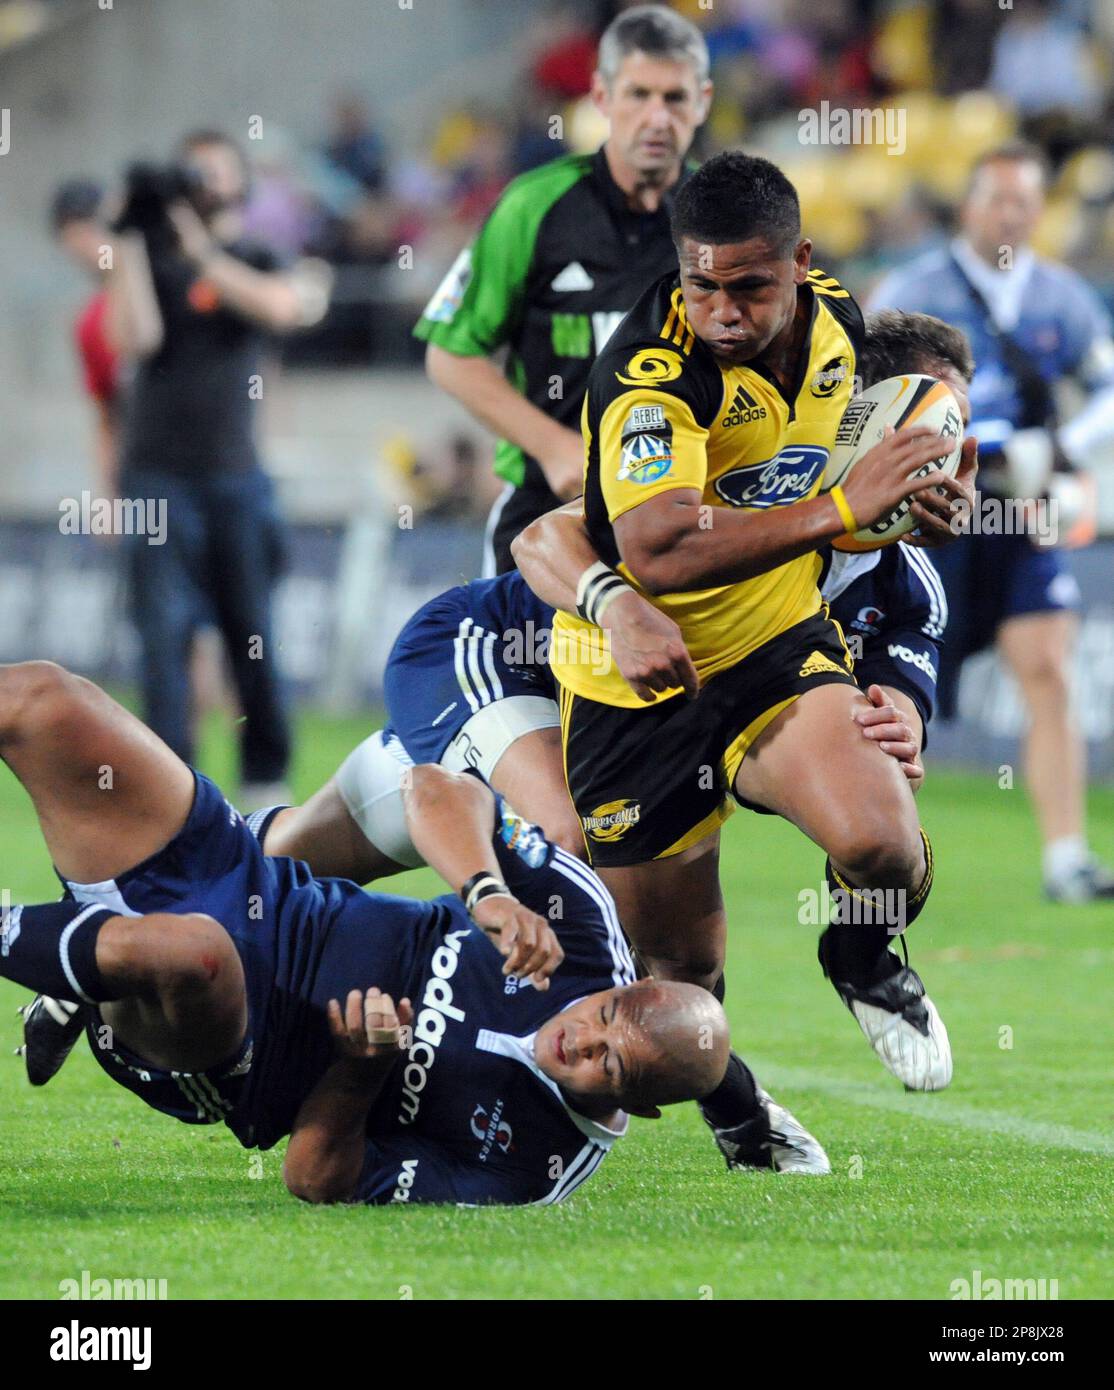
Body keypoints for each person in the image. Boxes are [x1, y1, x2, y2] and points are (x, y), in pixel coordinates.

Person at [504, 147, 978, 1172]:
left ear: (802, 263)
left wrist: (921, 505)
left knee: (882, 845)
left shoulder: (841, 326)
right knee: (682, 974)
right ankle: (740, 1110)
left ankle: (859, 953)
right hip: (636, 677)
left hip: (770, 640)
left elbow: (857, 490)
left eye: (750, 286)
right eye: (699, 284)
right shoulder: (650, 373)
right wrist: (845, 508)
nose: (720, 309)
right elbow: (657, 551)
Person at [3, 660, 758, 1205]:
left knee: (189, 953)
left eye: (609, 1068)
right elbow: (432, 786)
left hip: (224, 1043)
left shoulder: (534, 1167)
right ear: (623, 987)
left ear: (641, 1110)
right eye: (602, 1019)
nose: (581, 1041)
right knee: (43, 699)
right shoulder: (585, 934)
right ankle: (79, 965)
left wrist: (359, 1070)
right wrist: (487, 892)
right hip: (244, 877)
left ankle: (80, 966)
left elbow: (314, 1180)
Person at [870, 142, 1114, 902]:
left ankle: (1067, 856)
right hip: (931, 513)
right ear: (968, 206)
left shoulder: (1062, 296)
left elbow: (1106, 387)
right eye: (997, 199)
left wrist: (1063, 449)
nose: (1011, 214)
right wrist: (987, 445)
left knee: (1047, 668)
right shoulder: (913, 287)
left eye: (1024, 201)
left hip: (1017, 515)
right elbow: (866, 401)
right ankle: (886, 858)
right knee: (904, 689)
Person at [414, 5, 712, 575]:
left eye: (674, 98)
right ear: (600, 98)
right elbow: (450, 353)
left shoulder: (724, 217)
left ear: (703, 100)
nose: (657, 117)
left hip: (685, 514)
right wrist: (553, 447)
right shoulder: (532, 206)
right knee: (525, 663)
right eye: (638, 94)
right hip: (543, 514)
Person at [106, 129, 331, 808]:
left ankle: (266, 783)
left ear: (238, 182)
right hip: (155, 477)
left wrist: (201, 251)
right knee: (161, 640)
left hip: (236, 476)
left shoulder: (257, 255)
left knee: (252, 633)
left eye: (214, 170)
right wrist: (130, 242)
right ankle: (171, 788)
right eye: (189, 172)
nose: (200, 183)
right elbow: (134, 340)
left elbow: (286, 308)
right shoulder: (153, 260)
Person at [49, 179, 121, 500]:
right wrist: (106, 497)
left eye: (90, 233)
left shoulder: (174, 293)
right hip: (143, 475)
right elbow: (106, 415)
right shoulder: (91, 323)